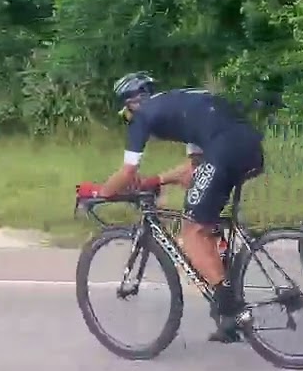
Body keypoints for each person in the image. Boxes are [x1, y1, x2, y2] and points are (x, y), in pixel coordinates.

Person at [78, 72, 266, 343]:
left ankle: (232, 308)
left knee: (192, 232)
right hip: (250, 147)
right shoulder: (183, 103)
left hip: (224, 152)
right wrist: (156, 181)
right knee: (206, 219)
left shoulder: (143, 115)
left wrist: (100, 193)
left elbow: (128, 171)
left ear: (131, 103)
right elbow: (196, 168)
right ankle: (226, 315)